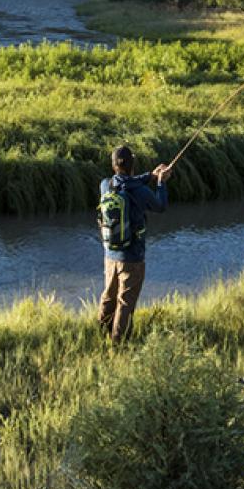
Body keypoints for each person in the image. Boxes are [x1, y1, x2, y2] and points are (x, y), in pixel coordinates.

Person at [97, 145, 171, 342]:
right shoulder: (142, 192)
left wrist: (151, 176)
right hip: (133, 258)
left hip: (110, 254)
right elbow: (160, 206)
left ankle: (101, 334)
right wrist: (161, 183)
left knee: (109, 296)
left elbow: (125, 182)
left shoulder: (105, 185)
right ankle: (118, 345)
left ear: (113, 165)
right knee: (125, 303)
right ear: (132, 165)